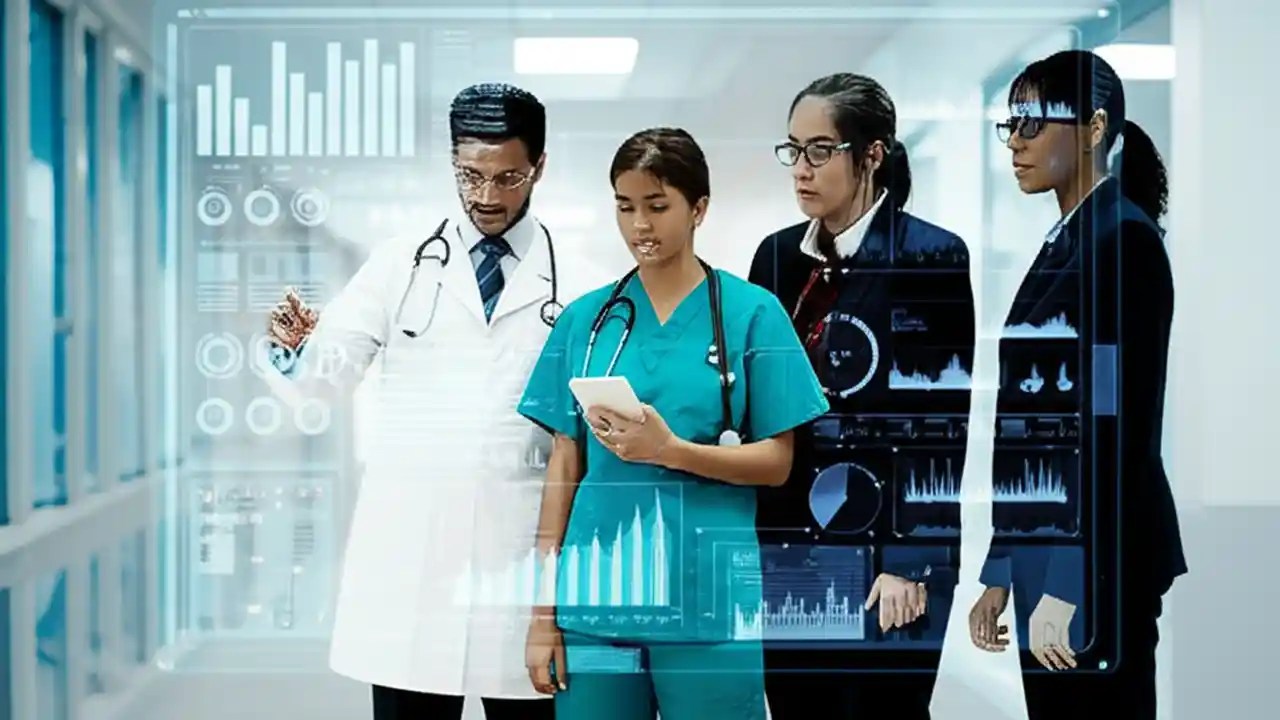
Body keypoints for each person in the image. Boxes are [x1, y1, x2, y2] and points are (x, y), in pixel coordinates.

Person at [264, 82, 601, 720]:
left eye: (508, 177)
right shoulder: (400, 265)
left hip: (522, 563)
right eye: (469, 175)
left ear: (540, 168)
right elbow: (324, 380)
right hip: (412, 562)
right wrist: (295, 350)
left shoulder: (582, 283)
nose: (485, 197)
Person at [516, 127, 829, 720]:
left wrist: (671, 449)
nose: (640, 225)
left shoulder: (752, 314)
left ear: (699, 209)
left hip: (706, 604)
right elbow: (564, 468)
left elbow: (777, 462)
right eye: (625, 206)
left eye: (657, 206)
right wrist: (541, 616)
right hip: (595, 607)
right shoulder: (584, 321)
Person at [747, 73, 976, 719]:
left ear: (872, 155)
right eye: (792, 150)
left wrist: (912, 561)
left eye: (820, 150)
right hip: (789, 550)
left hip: (882, 554)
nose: (801, 168)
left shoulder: (928, 256)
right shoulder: (774, 261)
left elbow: (937, 421)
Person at [966, 50, 1186, 719]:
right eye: (1011, 126)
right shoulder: (1070, 240)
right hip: (1052, 556)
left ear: (1092, 128)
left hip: (1098, 564)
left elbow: (1113, 428)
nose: (1016, 143)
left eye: (1033, 124)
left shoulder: (1123, 242)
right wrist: (1003, 568)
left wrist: (1069, 583)